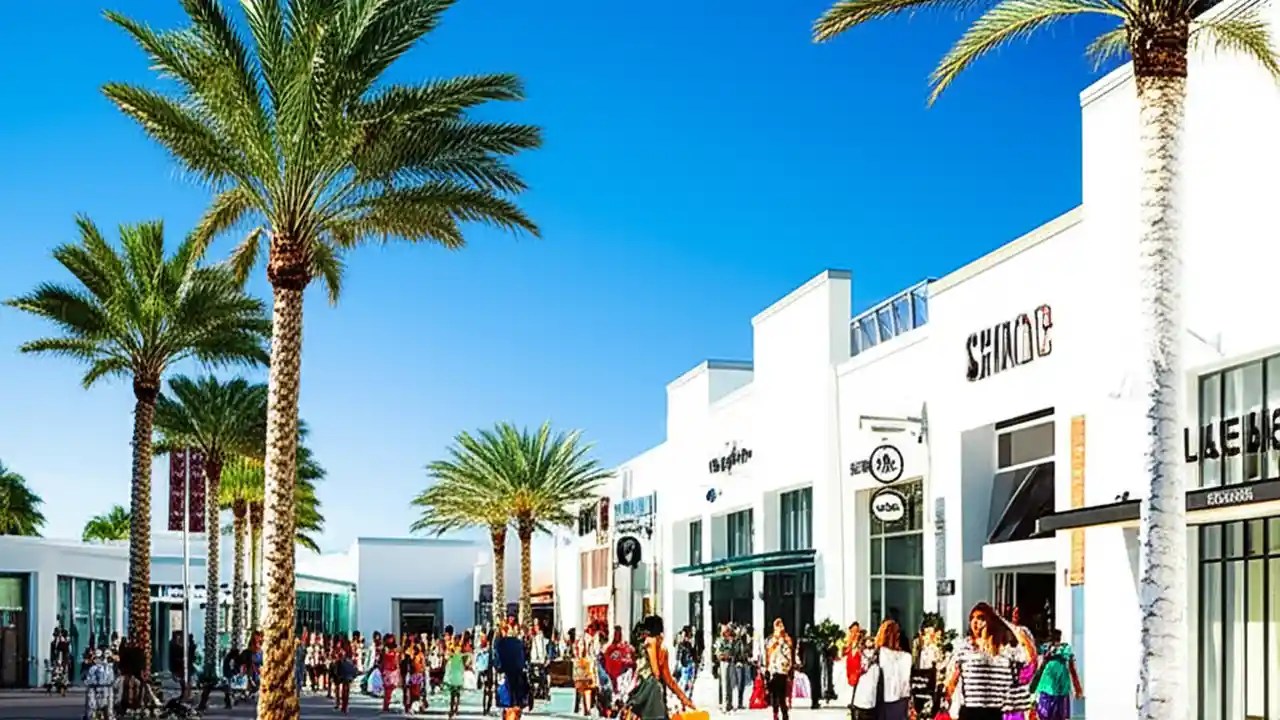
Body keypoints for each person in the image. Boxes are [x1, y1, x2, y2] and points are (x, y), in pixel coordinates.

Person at [941, 603, 1035, 720]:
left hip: (994, 712)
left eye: (980, 618)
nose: (975, 622)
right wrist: (945, 702)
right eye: (972, 618)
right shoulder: (963, 647)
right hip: (970, 711)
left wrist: (1007, 623)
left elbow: (1030, 656)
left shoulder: (1003, 651)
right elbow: (952, 679)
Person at [625, 615, 694, 720]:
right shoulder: (663, 649)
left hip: (648, 688)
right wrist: (683, 698)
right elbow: (668, 679)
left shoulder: (650, 642)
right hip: (657, 690)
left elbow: (655, 671)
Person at [1033, 630, 1082, 720]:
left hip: (1058, 689)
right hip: (1050, 689)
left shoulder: (1063, 649)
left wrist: (1077, 687)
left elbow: (1072, 668)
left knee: (1055, 716)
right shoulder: (1048, 649)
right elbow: (1072, 668)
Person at [495, 619, 531, 720]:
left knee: (507, 702)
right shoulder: (518, 643)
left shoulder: (501, 643)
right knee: (515, 702)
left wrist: (498, 667)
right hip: (516, 676)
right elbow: (522, 660)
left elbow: (497, 659)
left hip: (506, 675)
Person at [764, 618, 794, 720]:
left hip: (782, 670)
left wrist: (789, 667)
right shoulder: (770, 640)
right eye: (777, 626)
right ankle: (775, 714)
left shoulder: (786, 640)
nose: (779, 629)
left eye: (781, 626)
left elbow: (789, 654)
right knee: (773, 694)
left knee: (781, 695)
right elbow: (768, 654)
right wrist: (766, 668)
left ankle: (784, 714)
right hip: (773, 670)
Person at [443, 626, 468, 719]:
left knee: (455, 692)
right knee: (454, 693)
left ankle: (454, 708)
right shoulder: (452, 648)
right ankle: (453, 708)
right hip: (454, 672)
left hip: (455, 672)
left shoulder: (456, 649)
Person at [334, 636, 359, 714]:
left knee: (341, 687)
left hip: (342, 669)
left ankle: (341, 703)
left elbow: (337, 658)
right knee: (346, 688)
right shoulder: (349, 648)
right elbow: (353, 658)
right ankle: (344, 705)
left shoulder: (341, 649)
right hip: (347, 669)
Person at [380, 634, 401, 713]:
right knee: (387, 689)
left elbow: (398, 660)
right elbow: (382, 661)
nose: (390, 641)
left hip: (394, 671)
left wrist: (399, 671)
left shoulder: (396, 649)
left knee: (392, 688)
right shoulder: (384, 649)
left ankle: (387, 704)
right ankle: (386, 705)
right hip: (387, 671)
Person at [676, 626, 697, 697]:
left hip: (689, 662)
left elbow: (693, 649)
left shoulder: (691, 641)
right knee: (683, 681)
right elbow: (679, 647)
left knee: (689, 681)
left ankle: (687, 697)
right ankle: (682, 697)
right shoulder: (682, 642)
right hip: (684, 663)